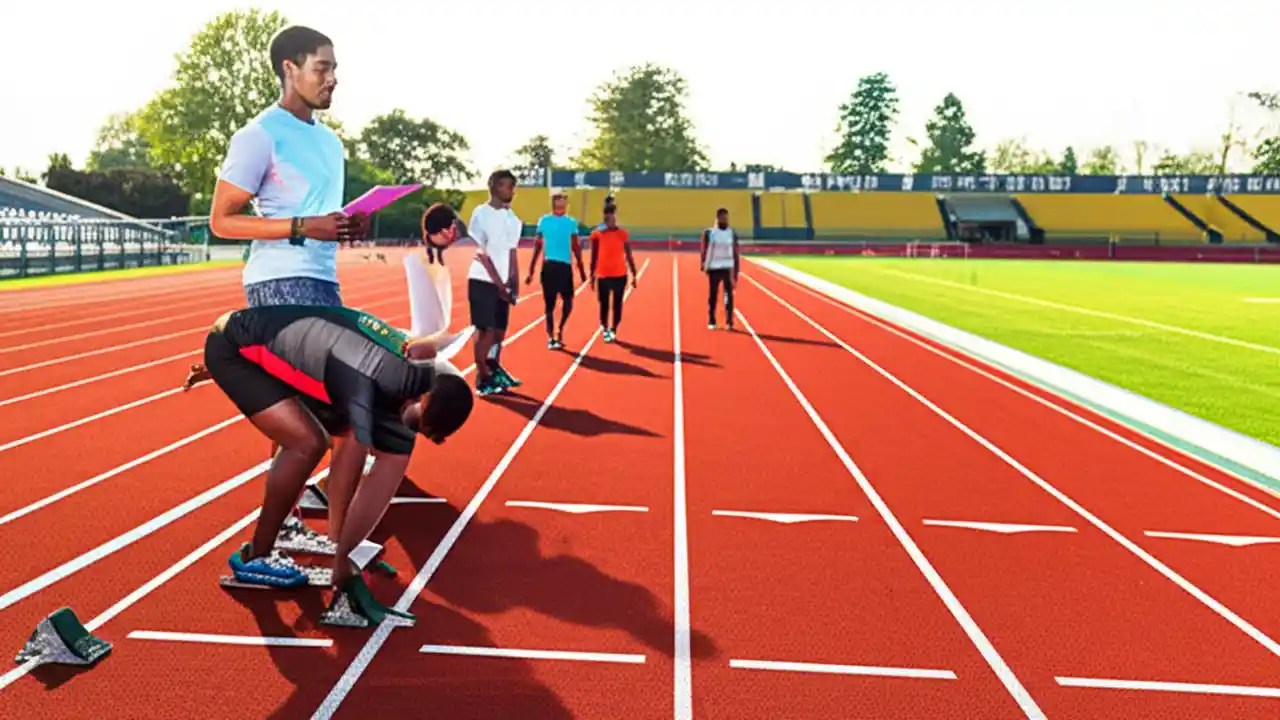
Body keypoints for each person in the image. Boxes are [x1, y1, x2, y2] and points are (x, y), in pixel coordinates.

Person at [202, 302, 474, 628]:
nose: (408, 428)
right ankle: (255, 556)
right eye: (414, 421)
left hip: (310, 355)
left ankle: (326, 544)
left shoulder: (420, 383)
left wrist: (344, 552)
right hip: (236, 346)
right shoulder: (368, 377)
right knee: (308, 443)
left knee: (343, 434)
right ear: (418, 398)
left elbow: (383, 481)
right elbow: (355, 461)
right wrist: (342, 565)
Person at [205, 25, 370, 556]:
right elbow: (223, 222)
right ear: (289, 69)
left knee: (320, 422)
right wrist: (303, 226)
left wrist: (345, 226)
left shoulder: (329, 141)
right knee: (330, 422)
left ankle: (295, 529)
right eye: (323, 68)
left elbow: (322, 218)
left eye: (334, 69)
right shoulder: (259, 134)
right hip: (278, 283)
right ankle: (277, 549)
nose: (333, 79)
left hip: (323, 280)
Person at [467, 170, 523, 395]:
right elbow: (483, 254)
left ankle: (493, 370)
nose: (511, 190)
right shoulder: (481, 213)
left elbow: (512, 253)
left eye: (512, 186)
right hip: (482, 279)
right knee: (485, 331)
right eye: (505, 185)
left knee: (499, 333)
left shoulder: (513, 219)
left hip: (502, 282)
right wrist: (499, 284)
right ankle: (483, 378)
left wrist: (514, 283)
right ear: (493, 187)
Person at [525, 193, 585, 349]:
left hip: (565, 267)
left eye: (564, 203)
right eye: (559, 202)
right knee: (549, 305)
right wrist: (531, 269)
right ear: (553, 204)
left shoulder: (571, 222)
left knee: (569, 303)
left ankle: (560, 329)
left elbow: (575, 246)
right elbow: (537, 245)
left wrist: (581, 267)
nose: (561, 205)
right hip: (549, 266)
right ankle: (551, 336)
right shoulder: (544, 221)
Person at [589, 204, 638, 343]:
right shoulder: (597, 234)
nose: (612, 218)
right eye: (608, 215)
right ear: (605, 217)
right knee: (604, 304)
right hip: (603, 275)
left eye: (613, 215)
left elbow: (629, 255)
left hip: (619, 275)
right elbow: (594, 256)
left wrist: (634, 274)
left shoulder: (622, 234)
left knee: (617, 305)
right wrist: (591, 275)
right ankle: (605, 328)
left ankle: (614, 328)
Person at [701, 207, 741, 330]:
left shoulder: (732, 233)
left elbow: (735, 252)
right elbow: (705, 250)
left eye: (726, 217)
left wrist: (736, 271)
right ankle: (711, 320)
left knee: (729, 295)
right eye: (722, 217)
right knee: (713, 295)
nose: (725, 219)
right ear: (718, 218)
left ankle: (729, 321)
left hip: (728, 267)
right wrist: (704, 265)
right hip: (714, 268)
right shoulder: (710, 233)